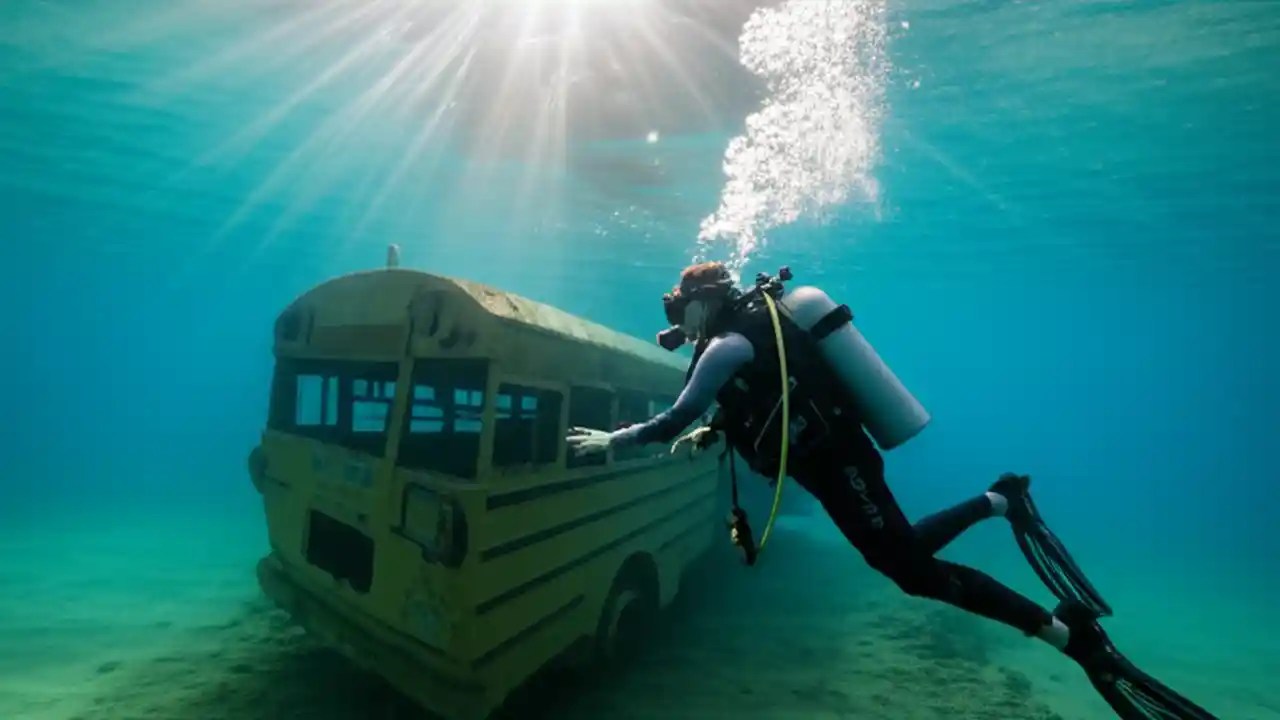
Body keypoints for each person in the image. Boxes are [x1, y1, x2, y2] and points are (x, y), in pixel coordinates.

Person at [566, 261, 1218, 720]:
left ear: (701, 300)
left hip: (839, 462)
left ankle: (1064, 634)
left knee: (906, 568)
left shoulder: (727, 343)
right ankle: (1001, 505)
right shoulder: (736, 341)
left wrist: (614, 442)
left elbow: (677, 413)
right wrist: (714, 436)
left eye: (681, 309)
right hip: (827, 465)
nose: (680, 323)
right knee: (901, 558)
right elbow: (745, 406)